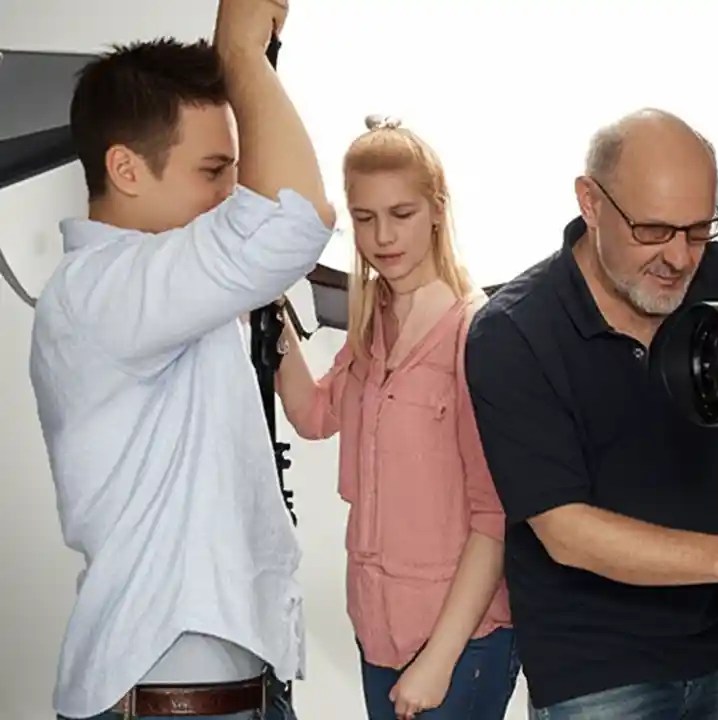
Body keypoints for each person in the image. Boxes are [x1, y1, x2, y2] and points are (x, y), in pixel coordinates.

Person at [463, 108, 718, 719]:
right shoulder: (511, 333)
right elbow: (567, 532)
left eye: (697, 229)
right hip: (594, 673)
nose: (680, 258)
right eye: (654, 230)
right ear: (590, 202)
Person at [30, 1, 337, 718]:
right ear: (126, 169)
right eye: (212, 171)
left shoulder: (154, 297)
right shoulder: (102, 292)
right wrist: (240, 56)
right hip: (180, 699)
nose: (232, 193)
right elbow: (293, 219)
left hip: (214, 692)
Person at [275, 116, 518, 720]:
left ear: (437, 210)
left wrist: (438, 661)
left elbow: (496, 517)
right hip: (376, 632)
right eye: (364, 218)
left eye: (401, 214)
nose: (383, 236)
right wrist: (270, 307)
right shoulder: (369, 328)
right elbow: (312, 414)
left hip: (460, 643)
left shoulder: (475, 333)